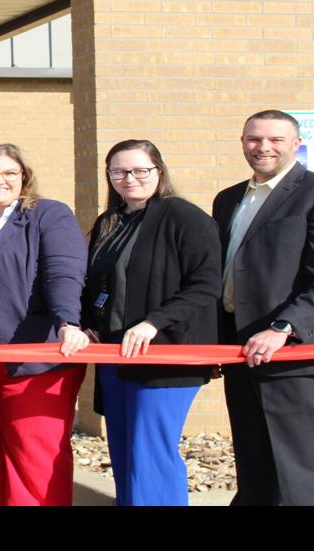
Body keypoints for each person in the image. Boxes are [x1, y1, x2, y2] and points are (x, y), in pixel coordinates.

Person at [213, 109, 314, 506]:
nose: (263, 147)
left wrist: (283, 327)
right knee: (255, 466)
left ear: (296, 144)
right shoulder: (228, 199)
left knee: (301, 475)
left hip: (299, 355)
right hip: (242, 353)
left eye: (276, 140)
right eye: (254, 139)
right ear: (242, 142)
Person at [80, 140, 222, 506]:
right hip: (115, 354)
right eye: (119, 171)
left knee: (150, 454)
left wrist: (153, 323)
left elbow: (206, 284)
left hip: (164, 355)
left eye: (140, 170)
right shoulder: (109, 222)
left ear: (159, 171)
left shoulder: (183, 217)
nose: (130, 178)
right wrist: (88, 322)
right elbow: (97, 284)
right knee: (125, 453)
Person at [0, 143, 88, 506]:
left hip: (29, 342)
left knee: (33, 455)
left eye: (10, 173)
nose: (0, 180)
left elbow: (63, 272)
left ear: (24, 177)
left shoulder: (47, 215)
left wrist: (67, 321)